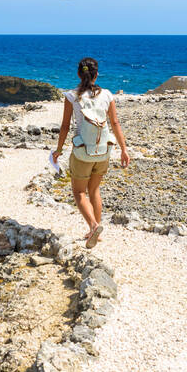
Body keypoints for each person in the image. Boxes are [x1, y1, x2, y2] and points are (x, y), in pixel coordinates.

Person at [49, 57, 129, 248]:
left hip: (82, 152)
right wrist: (124, 149)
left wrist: (58, 150)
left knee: (78, 192)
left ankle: (93, 226)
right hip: (103, 151)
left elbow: (65, 126)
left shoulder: (72, 96)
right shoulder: (108, 95)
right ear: (97, 74)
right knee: (94, 190)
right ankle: (97, 230)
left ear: (78, 73)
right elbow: (115, 123)